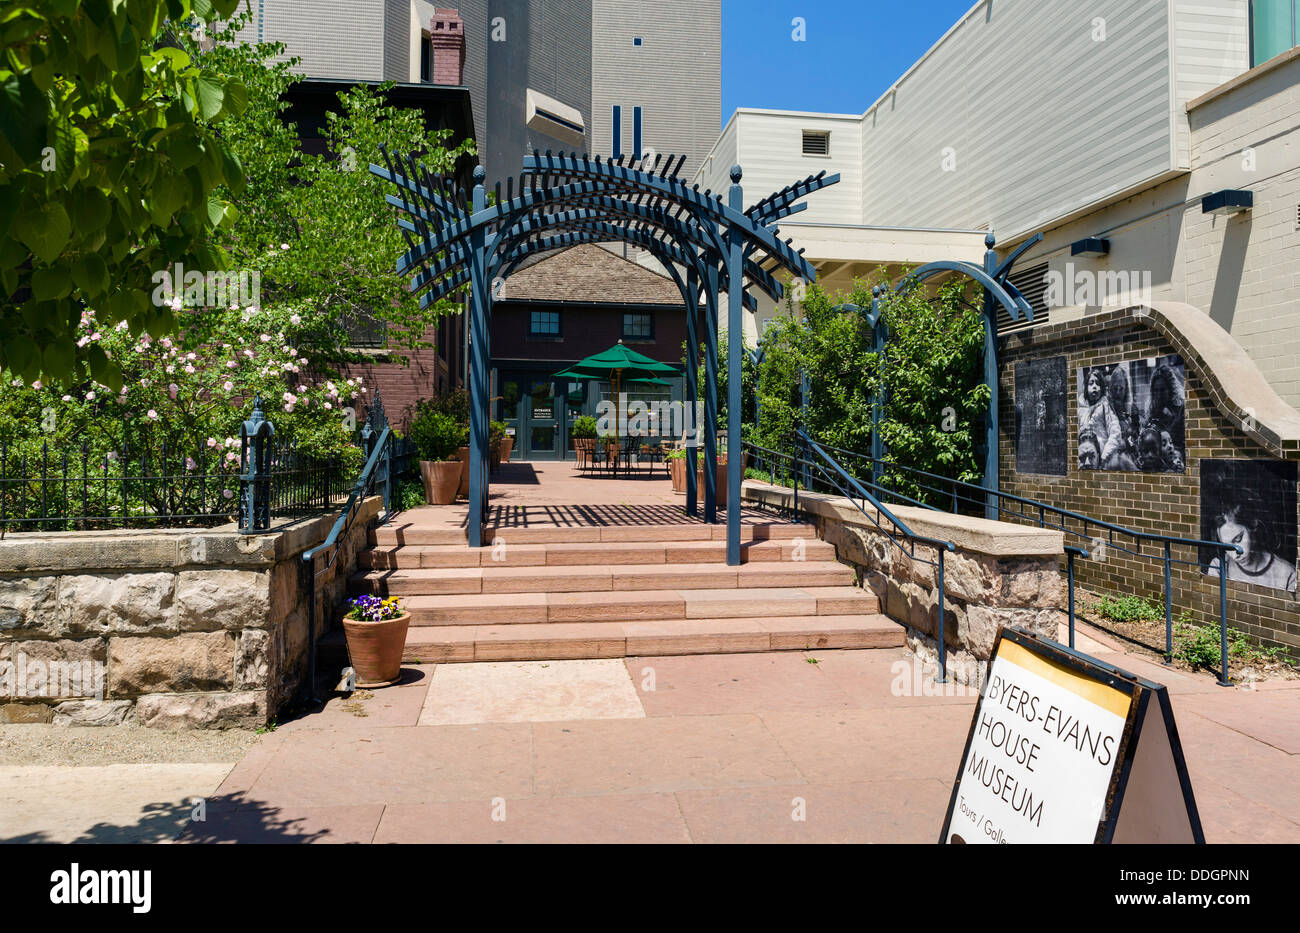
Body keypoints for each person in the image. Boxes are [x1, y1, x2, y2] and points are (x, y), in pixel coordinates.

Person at [1206, 489, 1298, 592]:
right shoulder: (1218, 567)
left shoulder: (1287, 574)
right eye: (1226, 546)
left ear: (1253, 525)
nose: (1235, 554)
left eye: (1238, 539)